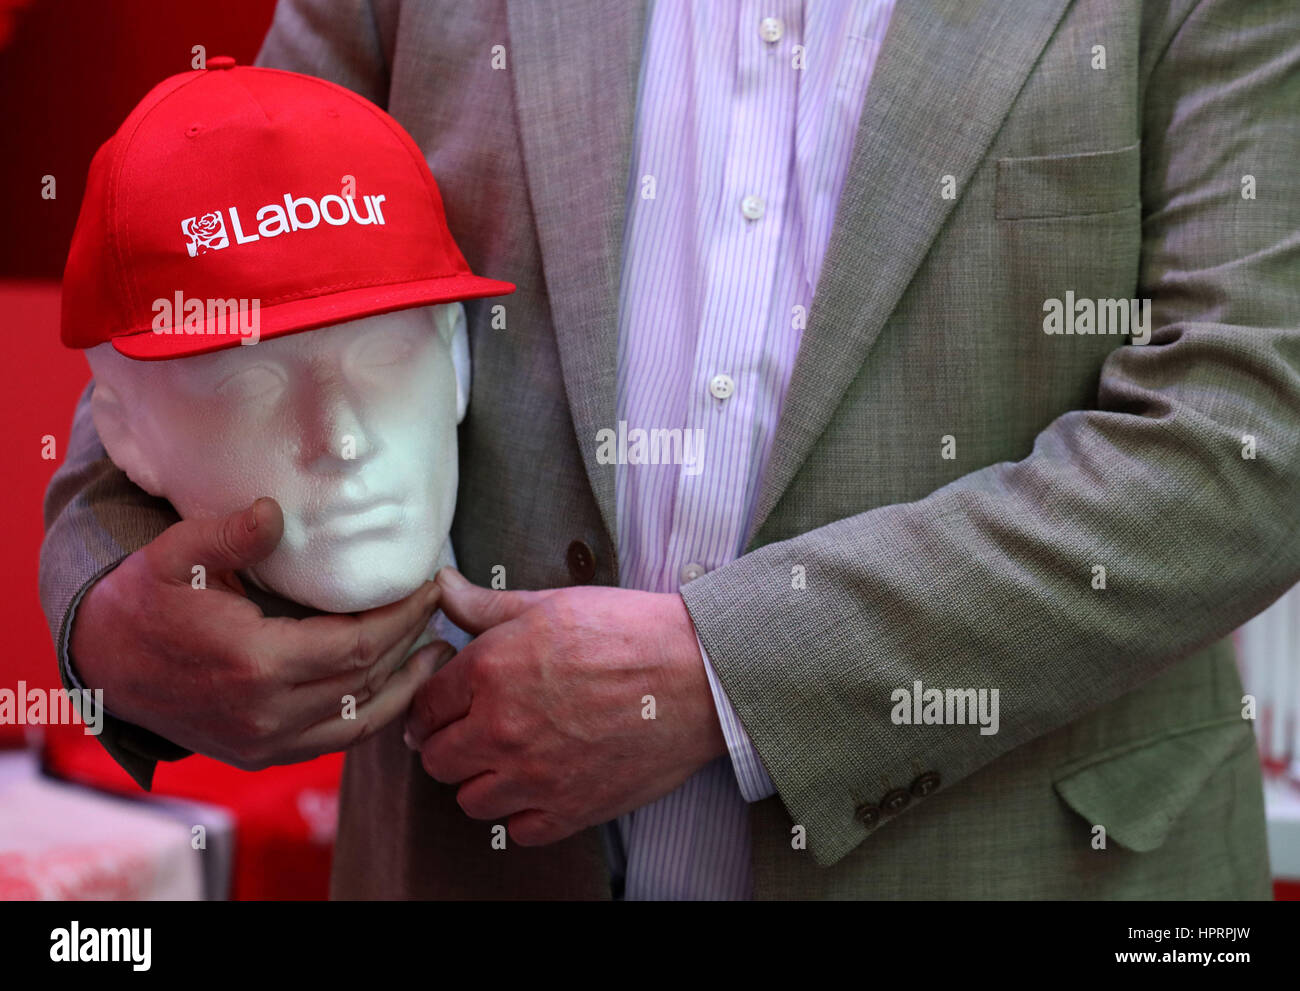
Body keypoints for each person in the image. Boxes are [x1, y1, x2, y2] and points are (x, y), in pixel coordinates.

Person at [40, 0, 1300, 899]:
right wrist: (107, 614)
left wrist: (727, 675)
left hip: (1021, 861)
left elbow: (1253, 429)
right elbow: (185, 272)